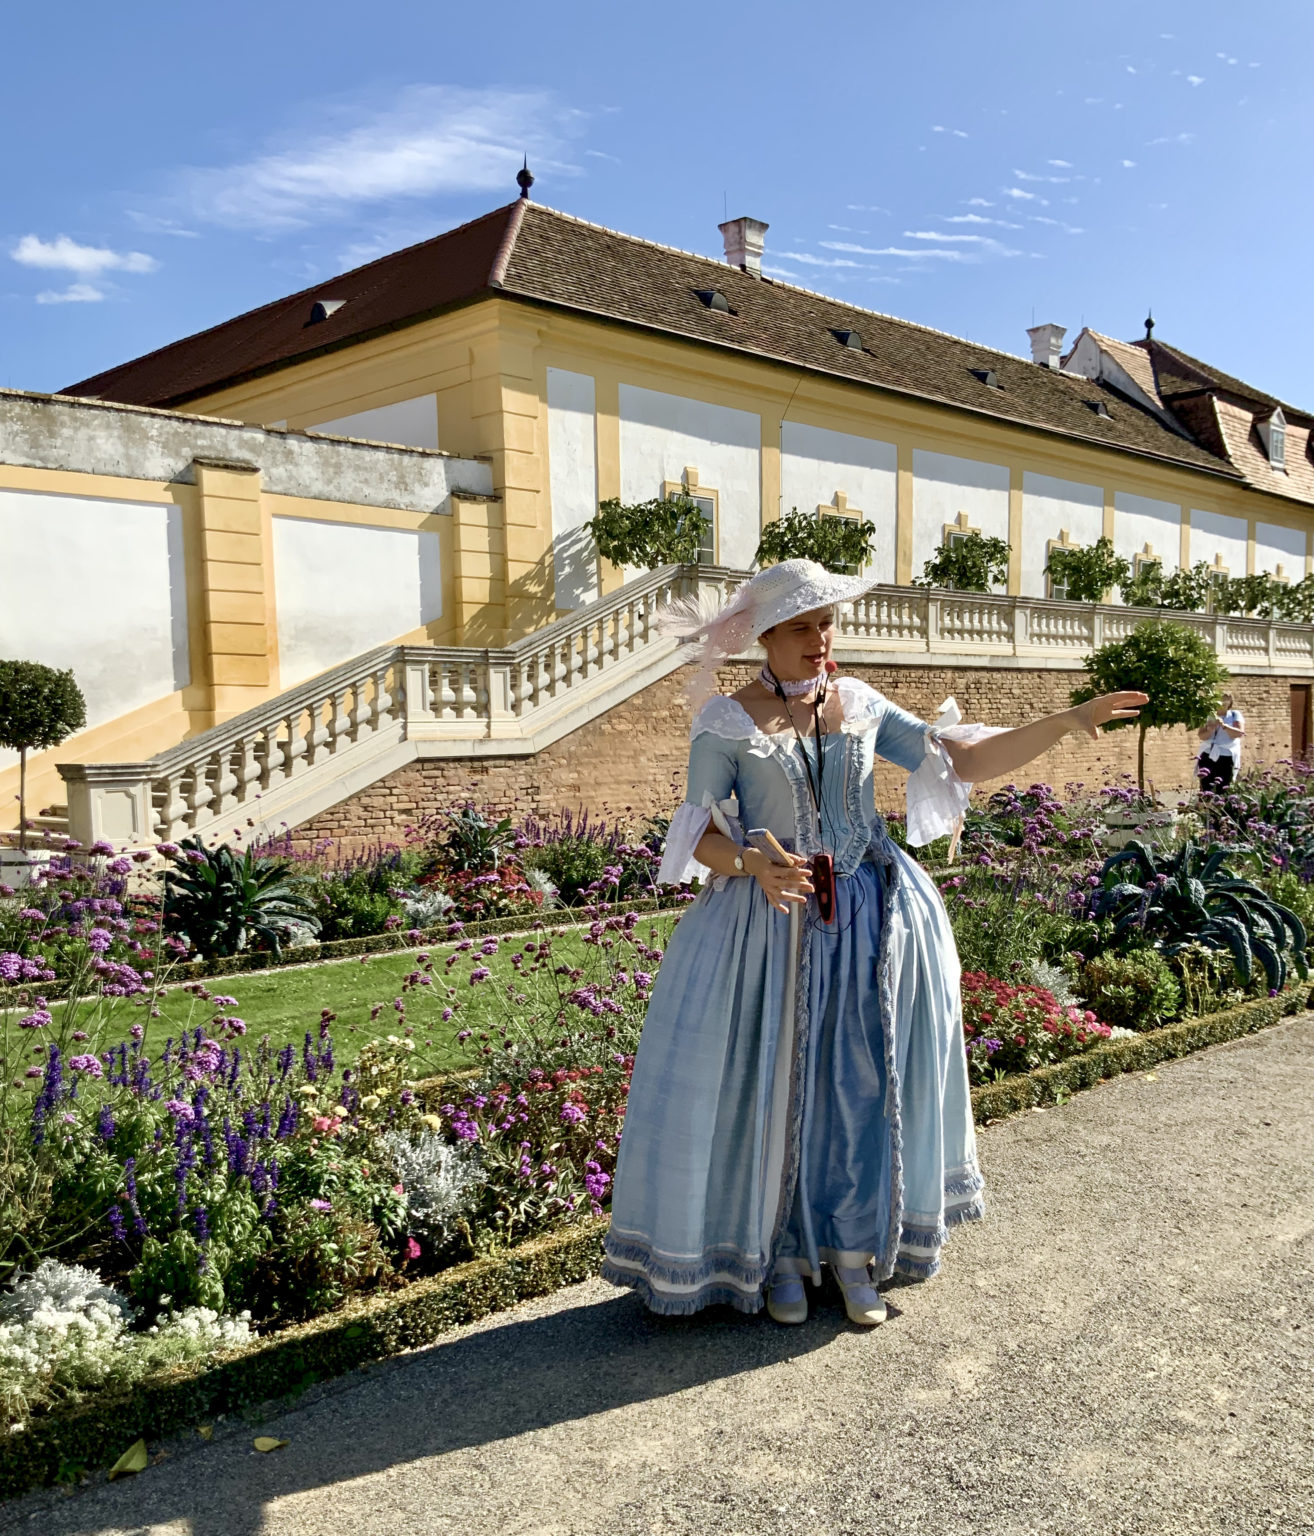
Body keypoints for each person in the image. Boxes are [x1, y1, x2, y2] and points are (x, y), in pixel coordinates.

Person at [600, 560, 1146, 1327]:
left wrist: (1064, 720)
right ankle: (784, 1257)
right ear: (765, 634)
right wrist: (753, 862)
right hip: (771, 921)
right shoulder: (725, 721)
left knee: (861, 1082)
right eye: (801, 625)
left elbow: (962, 759)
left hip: (872, 915)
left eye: (826, 623)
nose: (820, 638)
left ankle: (855, 1252)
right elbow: (694, 837)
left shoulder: (857, 702)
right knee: (777, 1085)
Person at [1197, 692, 1245, 792]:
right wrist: (1211, 728)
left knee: (1224, 787)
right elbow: (1201, 736)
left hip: (1226, 756)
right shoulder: (1208, 715)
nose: (1223, 702)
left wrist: (1224, 726)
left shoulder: (1234, 715)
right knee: (1206, 786)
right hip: (1208, 755)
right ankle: (1205, 801)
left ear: (1230, 702)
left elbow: (1239, 733)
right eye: (1220, 699)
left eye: (1226, 699)